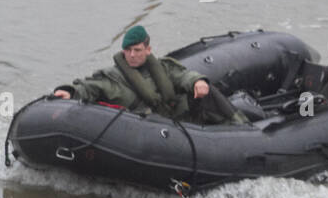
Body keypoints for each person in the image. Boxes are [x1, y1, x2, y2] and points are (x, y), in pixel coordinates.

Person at [52, 25, 248, 125]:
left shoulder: (164, 67)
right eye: (128, 50)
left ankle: (241, 127)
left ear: (148, 49)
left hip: (178, 120)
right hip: (145, 128)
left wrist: (197, 81)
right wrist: (70, 92)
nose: (132, 55)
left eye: (137, 50)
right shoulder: (111, 77)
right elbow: (88, 88)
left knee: (208, 90)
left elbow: (183, 76)